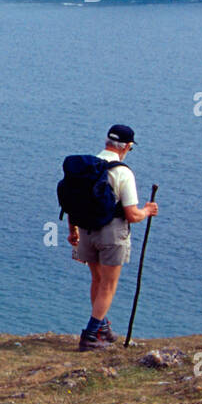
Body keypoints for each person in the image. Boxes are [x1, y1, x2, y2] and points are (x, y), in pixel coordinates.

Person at [67, 125, 159, 350]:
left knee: (97, 280)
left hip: (87, 230)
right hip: (112, 233)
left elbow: (73, 202)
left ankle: (102, 328)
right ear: (127, 146)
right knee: (109, 284)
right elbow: (132, 214)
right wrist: (148, 210)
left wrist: (73, 231)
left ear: (107, 142)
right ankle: (90, 335)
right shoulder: (123, 172)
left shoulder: (88, 166)